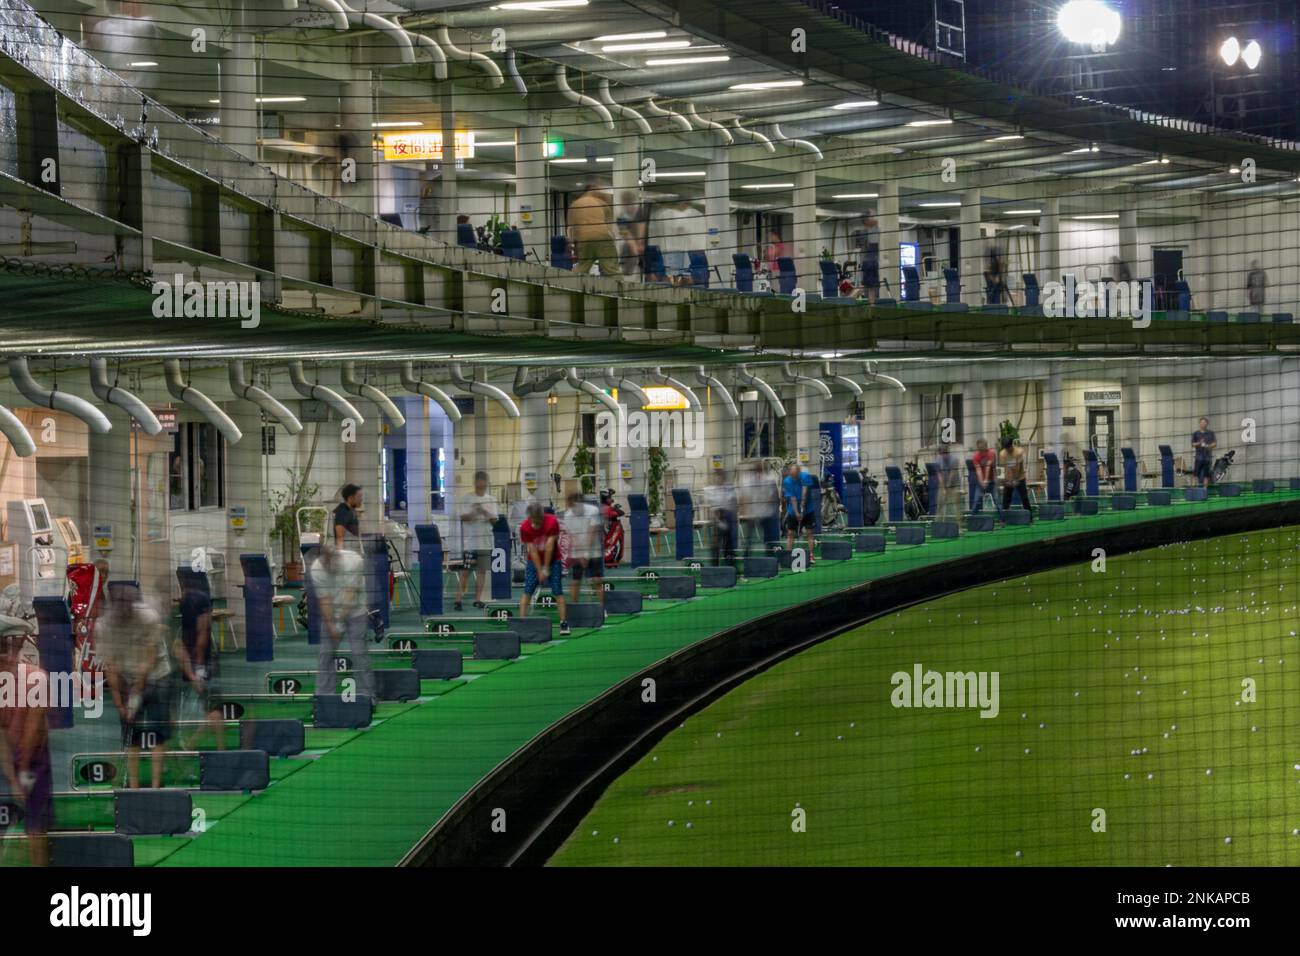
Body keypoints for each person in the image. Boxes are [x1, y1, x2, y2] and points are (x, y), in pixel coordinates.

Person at [96, 583, 174, 789]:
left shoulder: (149, 618)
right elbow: (110, 666)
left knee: (158, 731)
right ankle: (134, 786)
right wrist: (120, 704)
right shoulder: (104, 626)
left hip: (157, 674)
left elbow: (148, 660)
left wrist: (136, 694)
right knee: (131, 736)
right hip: (126, 677)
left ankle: (157, 786)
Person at [0, 632, 52, 866]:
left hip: (33, 759)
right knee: (34, 825)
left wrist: (21, 775)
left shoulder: (35, 678)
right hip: (13, 757)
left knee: (36, 826)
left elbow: (35, 730)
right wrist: (13, 779)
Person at [312, 541, 376, 706]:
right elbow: (324, 600)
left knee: (359, 653)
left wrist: (339, 623)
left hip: (356, 611)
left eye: (332, 562)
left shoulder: (354, 561)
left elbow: (350, 594)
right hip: (331, 612)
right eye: (326, 563)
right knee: (325, 654)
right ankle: (323, 698)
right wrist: (332, 625)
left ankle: (367, 698)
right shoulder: (316, 569)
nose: (329, 566)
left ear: (338, 557)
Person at [175, 575, 223, 751]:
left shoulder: (192, 600)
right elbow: (199, 635)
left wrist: (197, 669)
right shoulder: (196, 600)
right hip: (198, 664)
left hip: (198, 664)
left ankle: (198, 745)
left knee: (212, 708)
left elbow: (201, 634)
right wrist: (197, 670)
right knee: (212, 709)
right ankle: (202, 746)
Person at [519, 502, 569, 635]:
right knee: (528, 590)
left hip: (553, 560)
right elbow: (533, 550)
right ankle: (522, 624)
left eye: (539, 519)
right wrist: (539, 570)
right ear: (529, 518)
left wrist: (546, 569)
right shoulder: (524, 527)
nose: (537, 523)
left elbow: (549, 546)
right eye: (534, 520)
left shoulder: (552, 522)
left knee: (557, 590)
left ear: (543, 516)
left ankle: (564, 623)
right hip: (533, 561)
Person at [455, 471, 498, 612]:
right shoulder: (467, 498)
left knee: (482, 572)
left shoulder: (491, 499)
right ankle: (458, 600)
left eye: (483, 483)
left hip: (485, 542)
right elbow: (462, 517)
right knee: (466, 571)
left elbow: (495, 521)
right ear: (475, 483)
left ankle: (477, 599)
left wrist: (484, 512)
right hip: (471, 544)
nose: (481, 485)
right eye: (478, 482)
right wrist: (475, 512)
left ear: (486, 483)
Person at [562, 492, 604, 619]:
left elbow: (591, 533)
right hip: (577, 552)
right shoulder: (567, 515)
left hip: (594, 551)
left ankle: (602, 609)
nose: (574, 508)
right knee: (575, 581)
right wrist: (580, 555)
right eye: (571, 506)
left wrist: (586, 554)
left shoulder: (593, 511)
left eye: (575, 505)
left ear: (581, 503)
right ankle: (575, 610)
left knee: (597, 580)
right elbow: (573, 537)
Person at [568, 182, 619, 277]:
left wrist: (575, 245)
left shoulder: (575, 204)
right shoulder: (600, 202)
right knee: (612, 269)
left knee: (582, 268)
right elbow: (610, 225)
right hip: (602, 236)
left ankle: (575, 288)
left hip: (584, 239)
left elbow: (572, 229)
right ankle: (619, 291)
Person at [737, 461, 774, 557]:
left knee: (767, 537)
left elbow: (771, 497)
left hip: (765, 514)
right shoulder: (747, 481)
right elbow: (744, 497)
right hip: (752, 514)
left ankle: (769, 556)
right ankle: (747, 556)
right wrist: (745, 510)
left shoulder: (768, 480)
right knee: (749, 537)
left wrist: (766, 508)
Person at [781, 463, 817, 563]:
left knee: (809, 532)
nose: (794, 477)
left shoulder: (805, 476)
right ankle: (789, 556)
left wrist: (802, 508)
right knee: (790, 533)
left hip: (808, 509)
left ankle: (810, 556)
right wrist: (797, 512)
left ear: (799, 472)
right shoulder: (787, 481)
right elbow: (792, 498)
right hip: (792, 511)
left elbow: (804, 493)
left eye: (795, 475)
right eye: (792, 475)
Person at [704, 469, 738, 566]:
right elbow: (709, 506)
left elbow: (733, 503)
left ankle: (731, 564)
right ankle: (714, 565)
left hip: (728, 518)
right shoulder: (710, 490)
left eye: (721, 477)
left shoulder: (729, 489)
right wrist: (715, 517)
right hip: (716, 520)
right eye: (717, 477)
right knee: (715, 544)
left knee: (728, 544)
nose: (719, 479)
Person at [998, 438, 1032, 518]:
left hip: (1020, 477)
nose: (1007, 450)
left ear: (1011, 445)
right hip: (1009, 478)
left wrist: (1016, 480)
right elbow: (1006, 468)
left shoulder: (1019, 452)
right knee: (1006, 498)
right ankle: (1003, 519)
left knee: (1024, 498)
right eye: (1006, 448)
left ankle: (1030, 517)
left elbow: (1018, 467)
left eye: (1008, 447)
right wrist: (1009, 480)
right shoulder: (1002, 454)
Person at [852, 211, 881, 304]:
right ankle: (848, 300)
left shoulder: (869, 231)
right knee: (866, 286)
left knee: (870, 288)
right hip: (870, 263)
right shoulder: (869, 232)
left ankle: (872, 307)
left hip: (870, 262)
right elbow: (876, 222)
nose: (874, 218)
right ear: (867, 221)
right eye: (871, 218)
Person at [970, 438, 1002, 517]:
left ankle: (1002, 520)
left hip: (992, 482)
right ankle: (972, 520)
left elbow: (988, 467)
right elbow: (978, 470)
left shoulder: (991, 453)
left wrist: (986, 480)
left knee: (997, 501)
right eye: (980, 450)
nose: (982, 452)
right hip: (980, 483)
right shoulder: (976, 456)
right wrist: (982, 482)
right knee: (976, 501)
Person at [935, 444, 962, 524]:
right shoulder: (937, 461)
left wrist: (948, 486)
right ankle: (938, 525)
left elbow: (952, 474)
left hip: (954, 485)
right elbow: (939, 475)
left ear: (948, 453)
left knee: (955, 506)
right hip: (943, 485)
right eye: (942, 454)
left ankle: (958, 526)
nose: (944, 456)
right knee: (940, 505)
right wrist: (943, 489)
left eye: (945, 453)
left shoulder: (954, 460)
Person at [333, 483, 363, 550]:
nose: (361, 499)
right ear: (350, 498)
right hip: (348, 553)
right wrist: (341, 556)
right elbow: (340, 537)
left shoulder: (350, 511)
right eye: (359, 497)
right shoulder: (343, 511)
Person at [1192, 417, 1217, 488]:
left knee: (1206, 475)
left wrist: (1207, 445)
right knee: (1195, 474)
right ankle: (1194, 489)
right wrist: (1199, 443)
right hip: (1198, 458)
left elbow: (1214, 444)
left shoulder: (1211, 433)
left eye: (1205, 423)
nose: (1203, 424)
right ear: (1199, 424)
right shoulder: (1196, 433)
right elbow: (1193, 444)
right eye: (1202, 422)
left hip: (1207, 458)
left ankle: (1205, 489)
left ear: (1207, 424)